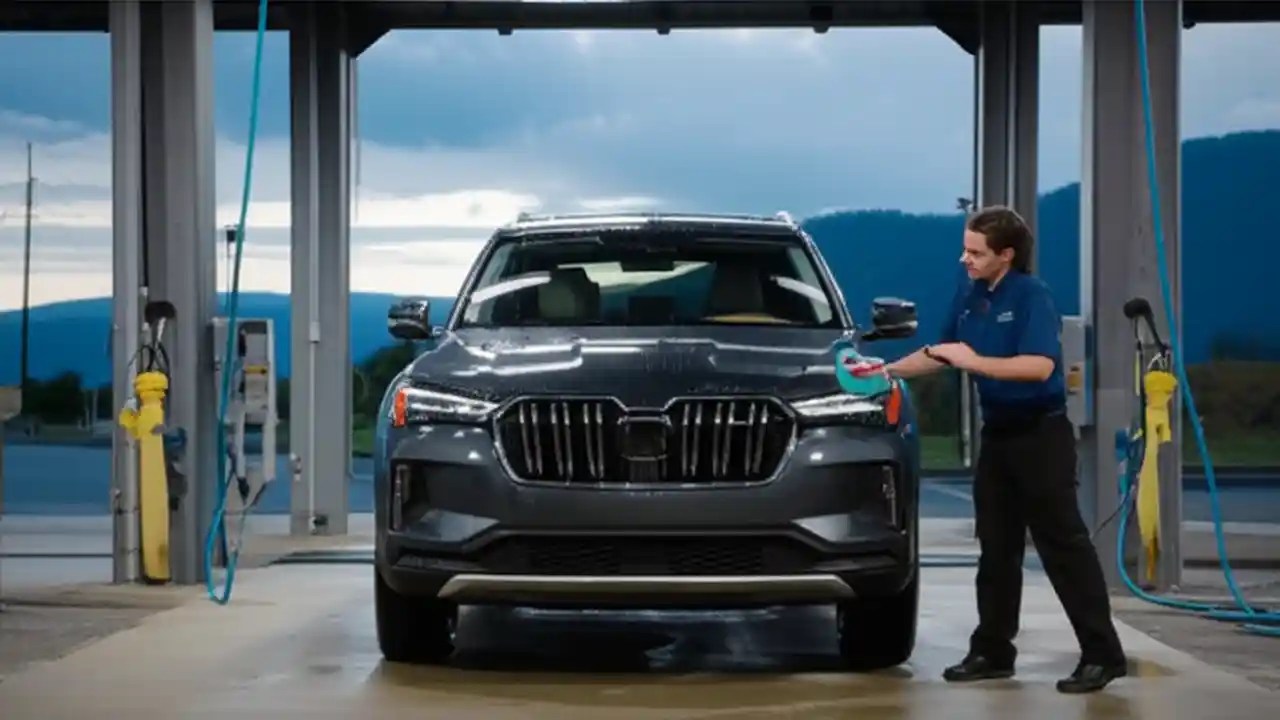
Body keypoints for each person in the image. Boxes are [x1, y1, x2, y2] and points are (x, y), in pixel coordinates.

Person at [886, 205, 1128, 694]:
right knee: (996, 549)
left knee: (1063, 547)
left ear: (1007, 255)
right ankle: (993, 650)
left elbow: (1039, 366)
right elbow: (941, 353)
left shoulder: (1032, 295)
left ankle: (1103, 654)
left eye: (975, 252)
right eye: (965, 249)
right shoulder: (971, 294)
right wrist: (884, 371)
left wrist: (975, 361)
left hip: (1041, 434)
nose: (965, 259)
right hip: (998, 435)